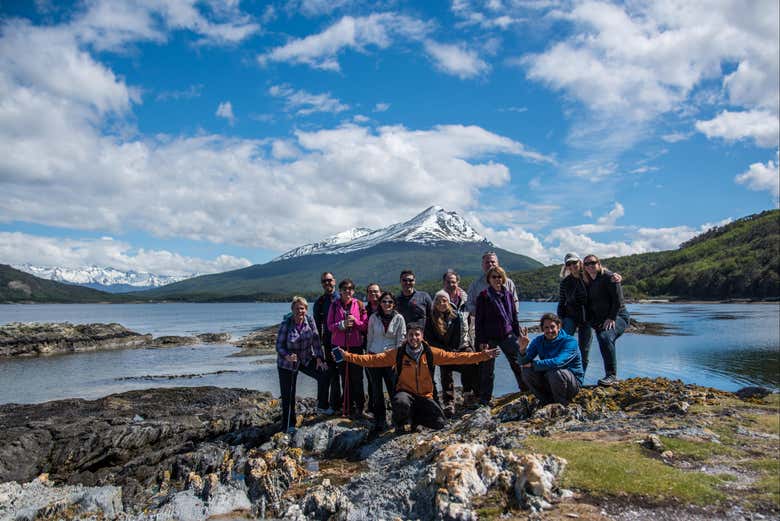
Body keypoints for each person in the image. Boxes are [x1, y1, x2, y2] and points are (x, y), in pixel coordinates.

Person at [336, 323, 500, 433]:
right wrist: (347, 356)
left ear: (422, 336)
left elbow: (457, 357)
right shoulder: (398, 353)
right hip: (405, 393)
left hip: (425, 396)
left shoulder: (430, 353)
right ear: (406, 337)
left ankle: (415, 419)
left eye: (417, 335)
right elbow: (373, 360)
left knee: (439, 423)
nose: (414, 338)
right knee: (400, 402)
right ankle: (400, 423)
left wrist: (483, 356)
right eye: (411, 335)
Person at [557, 253, 622, 374]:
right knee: (564, 344)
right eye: (568, 264)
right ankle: (561, 373)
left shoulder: (588, 277)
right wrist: (560, 320)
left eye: (574, 262)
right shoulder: (565, 283)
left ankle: (579, 378)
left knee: (584, 350)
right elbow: (561, 303)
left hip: (588, 318)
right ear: (566, 267)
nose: (572, 266)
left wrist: (615, 276)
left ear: (580, 263)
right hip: (571, 316)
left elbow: (602, 274)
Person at [276, 296, 329, 433]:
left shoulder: (310, 321)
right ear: (292, 309)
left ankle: (322, 406)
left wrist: (319, 358)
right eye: (297, 308)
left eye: (302, 308)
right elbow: (279, 346)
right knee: (288, 394)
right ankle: (289, 424)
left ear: (306, 309)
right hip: (287, 363)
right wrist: (287, 356)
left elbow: (316, 341)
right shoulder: (286, 324)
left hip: (305, 359)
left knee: (324, 374)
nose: (300, 311)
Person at [475, 266, 525, 405]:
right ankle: (485, 399)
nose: (497, 279)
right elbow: (479, 321)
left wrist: (518, 335)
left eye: (499, 277)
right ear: (489, 279)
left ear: (503, 278)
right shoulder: (484, 296)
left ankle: (526, 389)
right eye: (494, 277)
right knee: (487, 370)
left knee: (517, 363)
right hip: (489, 337)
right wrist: (482, 341)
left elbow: (513, 317)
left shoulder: (508, 295)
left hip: (507, 335)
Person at [424, 290, 476, 416]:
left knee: (469, 362)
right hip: (440, 351)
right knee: (445, 370)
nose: (441, 303)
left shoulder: (456, 316)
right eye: (438, 301)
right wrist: (443, 351)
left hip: (455, 349)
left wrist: (453, 351)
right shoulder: (430, 319)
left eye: (444, 301)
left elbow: (458, 335)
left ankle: (468, 394)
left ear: (448, 302)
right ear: (434, 303)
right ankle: (449, 402)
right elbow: (430, 339)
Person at [582, 254, 630, 387]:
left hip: (618, 316)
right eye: (587, 264)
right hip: (600, 320)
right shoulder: (587, 281)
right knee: (603, 339)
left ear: (599, 263)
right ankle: (609, 375)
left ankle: (611, 375)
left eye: (593, 262)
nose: (590, 266)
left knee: (605, 337)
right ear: (584, 267)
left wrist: (611, 317)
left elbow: (618, 301)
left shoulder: (609, 277)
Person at [518, 313, 584, 406]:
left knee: (555, 372)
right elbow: (523, 362)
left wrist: (533, 364)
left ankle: (561, 404)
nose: (550, 330)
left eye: (552, 327)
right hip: (550, 380)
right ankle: (545, 402)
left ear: (559, 326)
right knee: (526, 371)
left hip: (571, 384)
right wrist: (522, 350)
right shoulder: (539, 341)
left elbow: (558, 362)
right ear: (542, 329)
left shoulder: (570, 341)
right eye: (546, 327)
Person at [364, 291, 406, 433]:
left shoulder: (399, 318)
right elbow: (369, 338)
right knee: (376, 392)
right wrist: (368, 357)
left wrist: (397, 361)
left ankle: (398, 420)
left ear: (394, 304)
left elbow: (400, 341)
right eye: (384, 301)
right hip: (374, 357)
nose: (387, 304)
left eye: (390, 302)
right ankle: (380, 421)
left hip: (390, 359)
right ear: (380, 303)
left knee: (394, 390)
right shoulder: (373, 317)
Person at [327, 278, 368, 417]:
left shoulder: (360, 305)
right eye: (344, 289)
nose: (347, 291)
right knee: (344, 376)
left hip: (355, 346)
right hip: (338, 347)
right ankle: (347, 407)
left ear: (353, 291)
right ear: (340, 291)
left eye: (350, 289)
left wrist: (355, 321)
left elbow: (365, 326)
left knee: (357, 377)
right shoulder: (334, 306)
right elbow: (329, 326)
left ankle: (360, 407)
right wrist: (341, 325)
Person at [313, 272, 340, 413]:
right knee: (332, 374)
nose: (327, 283)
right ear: (321, 284)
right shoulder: (319, 302)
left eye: (329, 280)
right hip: (329, 345)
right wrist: (318, 350)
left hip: (344, 343)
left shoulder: (342, 298)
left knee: (346, 374)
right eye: (324, 281)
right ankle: (335, 405)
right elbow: (316, 328)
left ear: (334, 281)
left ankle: (348, 404)